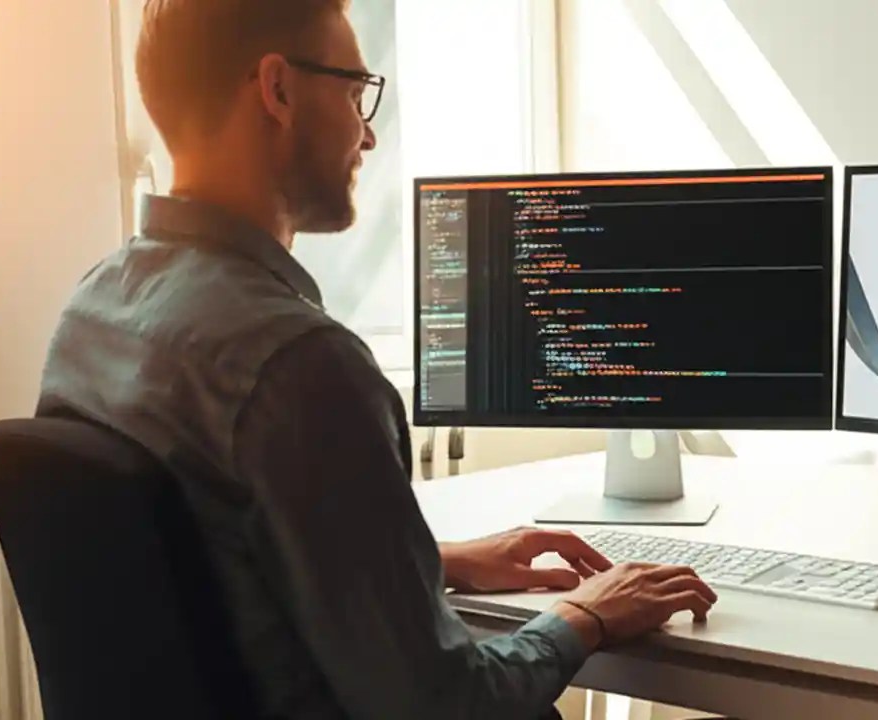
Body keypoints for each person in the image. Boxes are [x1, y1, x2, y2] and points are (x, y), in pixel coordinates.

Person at [37, 1, 717, 718]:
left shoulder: (92, 312)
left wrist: (436, 561)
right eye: (356, 90)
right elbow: (444, 705)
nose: (367, 134)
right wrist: (585, 616)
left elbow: (201, 575)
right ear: (278, 90)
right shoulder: (300, 367)